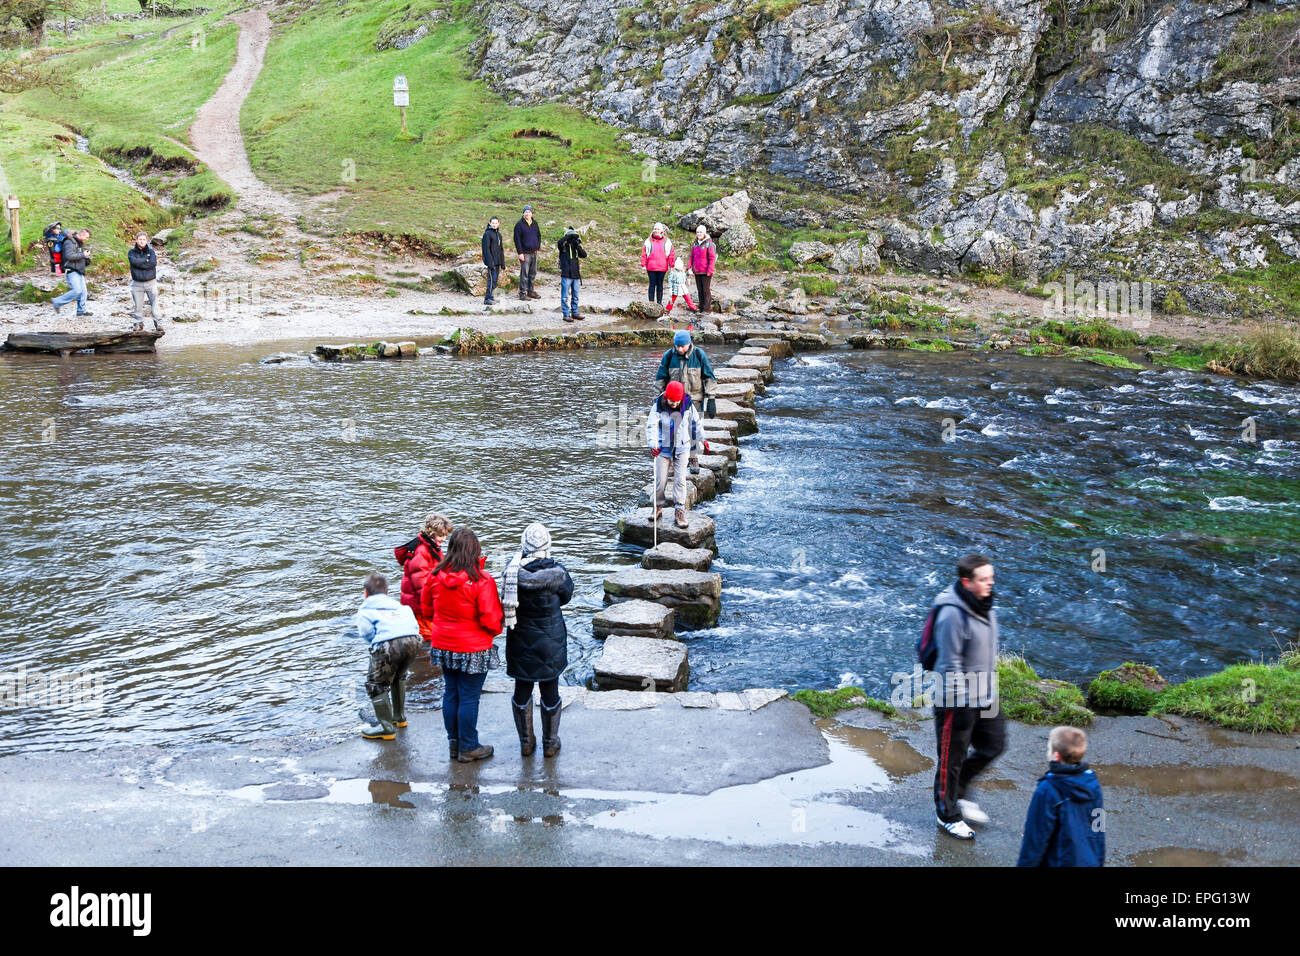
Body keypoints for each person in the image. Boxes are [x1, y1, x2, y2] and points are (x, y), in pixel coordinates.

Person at [932, 553, 1005, 840]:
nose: (990, 583)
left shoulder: (986, 605)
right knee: (952, 759)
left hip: (985, 695)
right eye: (984, 579)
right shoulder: (952, 614)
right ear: (967, 582)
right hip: (956, 701)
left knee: (994, 745)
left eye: (991, 577)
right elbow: (949, 663)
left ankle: (958, 792)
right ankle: (947, 814)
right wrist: (960, 703)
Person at [421, 526, 503, 762]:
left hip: (443, 645)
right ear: (475, 551)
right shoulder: (482, 580)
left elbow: (426, 610)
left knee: (451, 693)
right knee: (469, 698)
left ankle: (454, 743)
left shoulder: (435, 577)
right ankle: (468, 746)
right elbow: (490, 618)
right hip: (473, 648)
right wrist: (494, 631)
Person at [501, 523, 574, 757]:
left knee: (522, 688)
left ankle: (526, 742)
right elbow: (566, 597)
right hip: (550, 641)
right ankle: (550, 744)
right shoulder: (559, 574)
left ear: (524, 545)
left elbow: (501, 598)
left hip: (521, 639)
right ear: (547, 545)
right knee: (550, 688)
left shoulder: (510, 573)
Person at [1017, 726, 1105, 866]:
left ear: (1056, 756)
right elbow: (1098, 830)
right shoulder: (1093, 785)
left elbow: (1035, 839)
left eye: (1048, 748)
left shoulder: (1048, 789)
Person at [352, 573, 424, 741]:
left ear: (366, 593)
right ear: (387, 591)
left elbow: (366, 632)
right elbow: (413, 624)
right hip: (413, 640)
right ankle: (399, 717)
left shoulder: (366, 609)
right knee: (399, 676)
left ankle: (385, 727)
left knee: (375, 683)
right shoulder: (399, 606)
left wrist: (377, 646)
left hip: (388, 643)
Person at [645, 380, 708, 528]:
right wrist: (653, 445)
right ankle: (658, 507)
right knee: (661, 481)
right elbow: (651, 426)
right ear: (666, 396)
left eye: (676, 401)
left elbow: (696, 423)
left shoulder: (687, 405)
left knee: (680, 481)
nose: (673, 403)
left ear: (681, 398)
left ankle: (679, 511)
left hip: (682, 448)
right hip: (663, 448)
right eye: (670, 400)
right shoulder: (658, 405)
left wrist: (703, 438)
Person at [394, 512, 452, 644]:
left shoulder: (431, 547)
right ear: (432, 533)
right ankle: (424, 661)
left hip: (419, 603)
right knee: (427, 636)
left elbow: (436, 570)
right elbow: (421, 584)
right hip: (419, 605)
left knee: (427, 634)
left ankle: (422, 661)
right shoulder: (422, 551)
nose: (444, 539)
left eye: (445, 535)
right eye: (441, 535)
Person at [654, 329, 718, 422]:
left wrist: (711, 399)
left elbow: (709, 377)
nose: (679, 349)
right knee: (675, 432)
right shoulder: (668, 356)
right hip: (674, 404)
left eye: (682, 346)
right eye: (677, 346)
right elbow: (660, 379)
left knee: (694, 432)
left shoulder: (699, 355)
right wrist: (657, 399)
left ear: (689, 343)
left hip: (695, 403)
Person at [51, 228, 92, 317]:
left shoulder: (78, 243)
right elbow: (69, 256)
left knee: (83, 292)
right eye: (86, 237)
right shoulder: (69, 242)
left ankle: (81, 310)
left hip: (79, 270)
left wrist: (86, 258)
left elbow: (78, 256)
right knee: (77, 290)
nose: (87, 239)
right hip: (72, 270)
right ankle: (57, 302)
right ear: (82, 234)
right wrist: (83, 255)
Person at [127, 232, 160, 332]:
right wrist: (145, 260)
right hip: (137, 283)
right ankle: (138, 323)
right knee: (138, 305)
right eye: (140, 239)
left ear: (146, 241)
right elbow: (134, 262)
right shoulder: (131, 252)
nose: (141, 241)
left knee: (155, 303)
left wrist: (141, 262)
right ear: (136, 240)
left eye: (143, 239)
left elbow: (152, 263)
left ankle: (158, 322)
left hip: (151, 282)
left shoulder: (151, 252)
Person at [557, 225, 586, 322]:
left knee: (576, 295)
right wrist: (569, 236)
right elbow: (559, 242)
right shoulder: (563, 246)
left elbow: (584, 255)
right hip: (566, 274)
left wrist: (577, 245)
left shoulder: (575, 246)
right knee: (565, 296)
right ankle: (566, 314)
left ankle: (575, 313)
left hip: (576, 275)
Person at [640, 222, 674, 304]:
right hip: (651, 267)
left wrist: (672, 265)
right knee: (652, 285)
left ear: (662, 230)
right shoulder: (648, 241)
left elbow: (671, 254)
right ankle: (651, 303)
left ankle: (659, 303)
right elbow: (644, 254)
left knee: (660, 285)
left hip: (662, 267)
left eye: (658, 229)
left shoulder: (667, 241)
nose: (656, 230)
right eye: (655, 229)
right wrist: (643, 265)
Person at [513, 205, 541, 301]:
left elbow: (538, 235)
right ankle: (522, 293)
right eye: (526, 212)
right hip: (525, 253)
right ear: (523, 213)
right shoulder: (519, 225)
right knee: (524, 273)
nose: (527, 214)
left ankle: (531, 291)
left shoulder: (535, 223)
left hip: (534, 252)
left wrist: (538, 246)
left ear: (531, 213)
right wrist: (520, 252)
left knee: (533, 272)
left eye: (529, 212)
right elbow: (517, 240)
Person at [689, 224, 717, 313]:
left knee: (706, 290)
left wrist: (710, 270)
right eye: (697, 232)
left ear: (704, 233)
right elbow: (691, 257)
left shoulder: (709, 243)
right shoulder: (695, 244)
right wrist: (689, 267)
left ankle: (706, 309)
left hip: (706, 271)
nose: (699, 233)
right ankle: (701, 307)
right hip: (697, 271)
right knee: (699, 290)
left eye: (700, 232)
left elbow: (712, 258)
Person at [481, 216, 505, 308]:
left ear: (499, 223)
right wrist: (489, 262)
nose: (494, 224)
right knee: (491, 280)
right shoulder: (487, 234)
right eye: (493, 223)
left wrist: (502, 262)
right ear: (490, 223)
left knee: (495, 280)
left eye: (496, 223)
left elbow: (501, 249)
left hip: (498, 261)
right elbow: (486, 249)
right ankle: (487, 298)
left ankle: (492, 296)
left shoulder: (499, 235)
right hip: (491, 262)